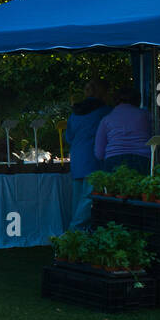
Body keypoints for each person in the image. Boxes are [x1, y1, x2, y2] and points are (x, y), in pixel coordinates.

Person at [66, 79, 110, 227]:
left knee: (77, 199)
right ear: (103, 93)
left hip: (77, 158)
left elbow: (69, 137)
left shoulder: (75, 113)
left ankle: (76, 237)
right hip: (94, 157)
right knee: (88, 198)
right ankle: (74, 230)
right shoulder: (105, 111)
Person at [94, 86, 152, 173]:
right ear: (137, 99)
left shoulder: (106, 119)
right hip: (142, 159)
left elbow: (99, 153)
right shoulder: (146, 115)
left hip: (113, 160)